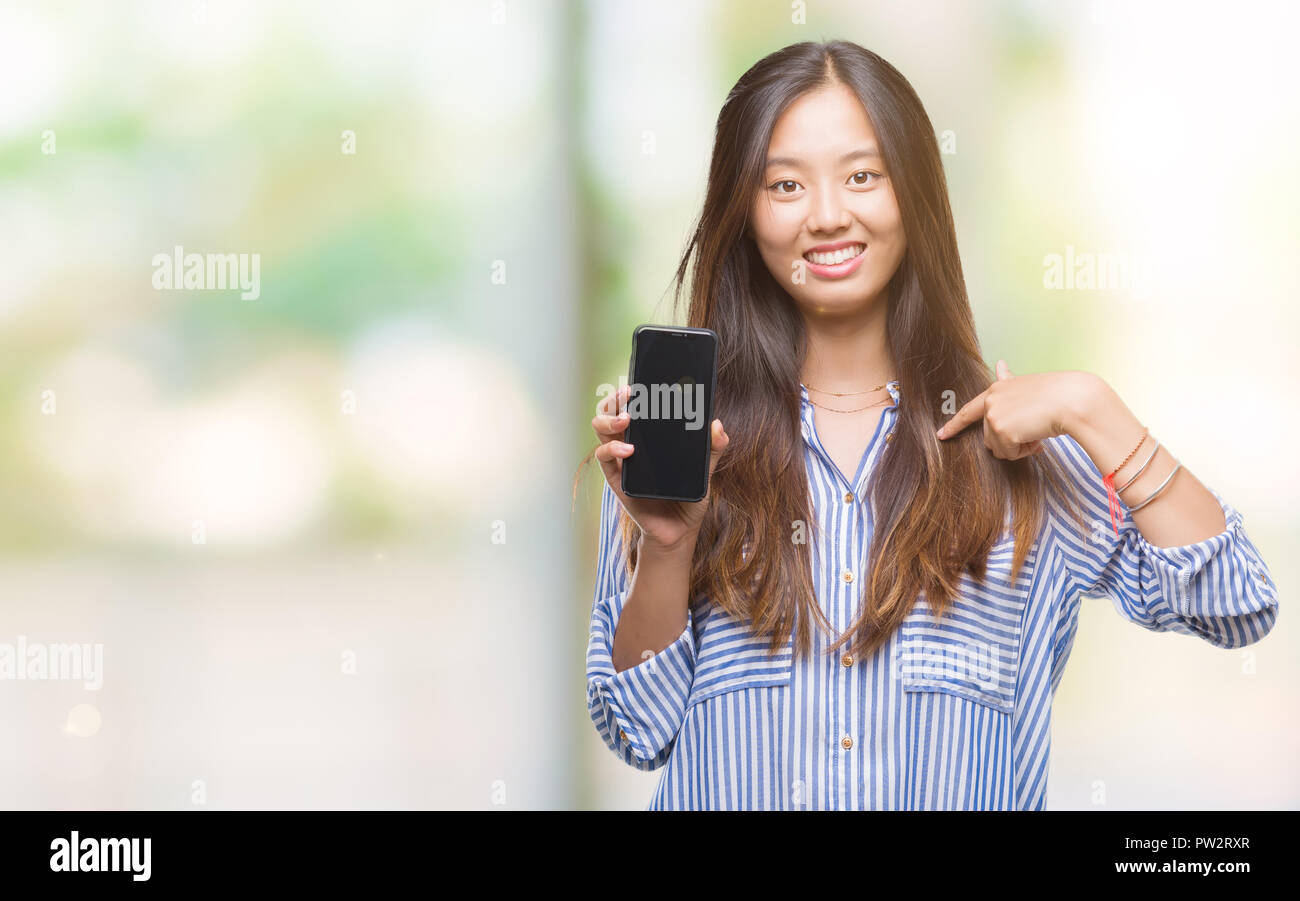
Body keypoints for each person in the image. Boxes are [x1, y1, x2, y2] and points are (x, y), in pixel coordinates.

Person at [577, 40, 1279, 810]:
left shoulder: (1026, 455)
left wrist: (1091, 404)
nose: (828, 215)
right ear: (744, 210)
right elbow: (637, 730)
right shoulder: (683, 448)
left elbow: (1236, 602)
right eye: (785, 184)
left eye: (862, 175)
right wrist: (667, 548)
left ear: (914, 191)